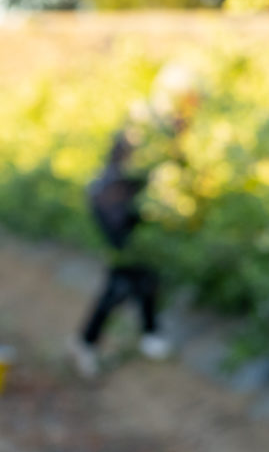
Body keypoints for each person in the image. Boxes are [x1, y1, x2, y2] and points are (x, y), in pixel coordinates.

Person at [69, 63, 199, 379]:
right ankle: (85, 341)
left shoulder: (168, 122)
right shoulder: (148, 121)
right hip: (113, 208)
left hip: (131, 207)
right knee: (125, 275)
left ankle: (149, 334)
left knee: (147, 269)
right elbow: (138, 166)